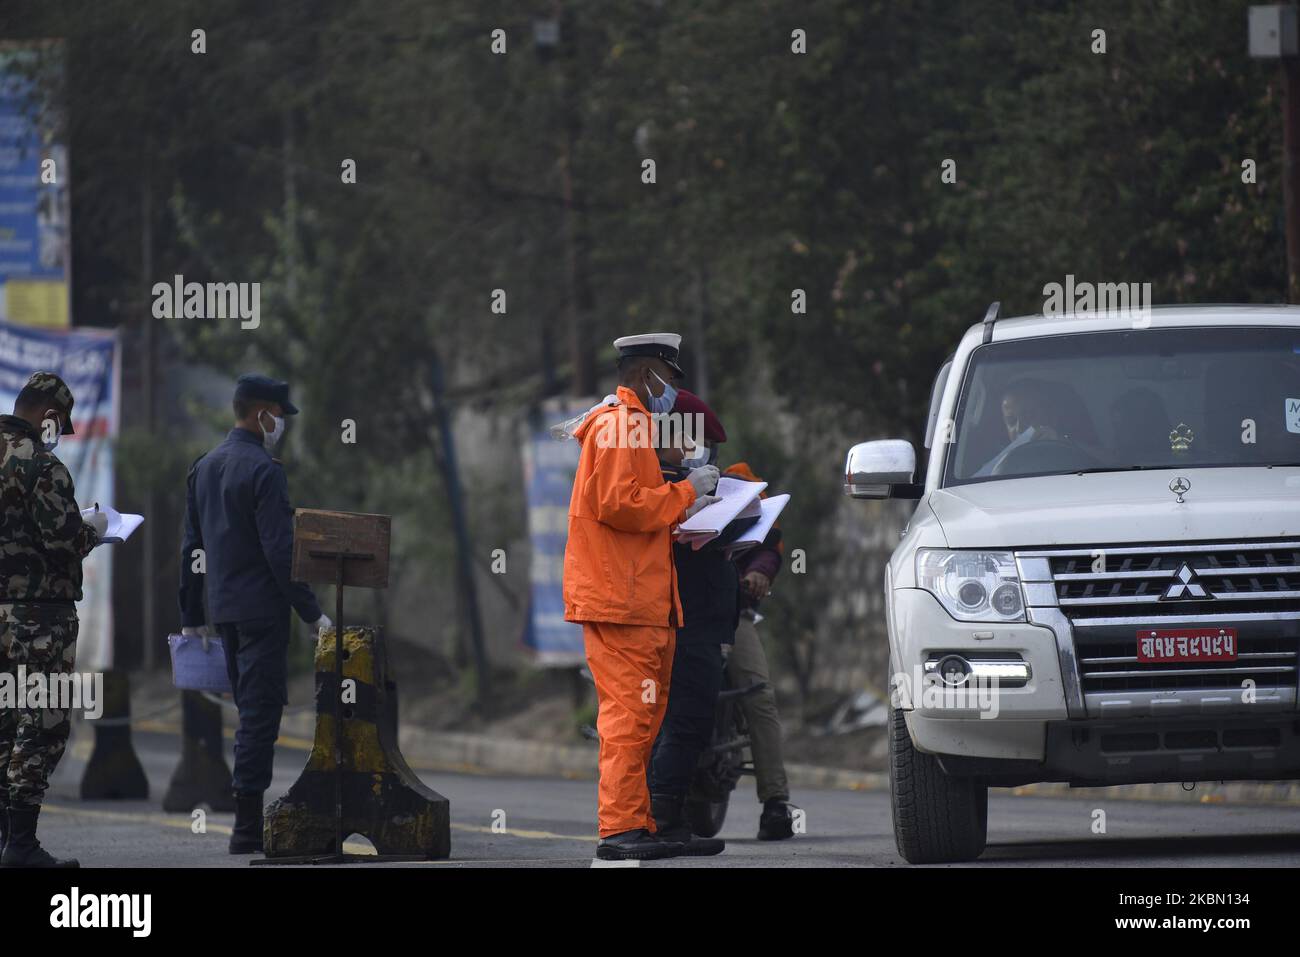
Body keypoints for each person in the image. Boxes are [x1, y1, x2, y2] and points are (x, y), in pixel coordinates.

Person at [564, 333, 719, 861]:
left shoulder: (631, 426)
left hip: (641, 601)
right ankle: (619, 830)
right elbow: (619, 504)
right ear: (650, 372)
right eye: (670, 381)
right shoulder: (621, 425)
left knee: (645, 718)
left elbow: (634, 511)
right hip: (621, 601)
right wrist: (687, 493)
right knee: (629, 718)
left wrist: (682, 507)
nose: (672, 394)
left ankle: (640, 822)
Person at [178, 374, 330, 854]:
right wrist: (312, 613)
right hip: (263, 613)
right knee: (260, 718)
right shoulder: (264, 470)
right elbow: (281, 550)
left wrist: (190, 613)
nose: (282, 423)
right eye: (280, 414)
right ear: (262, 412)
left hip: (223, 610)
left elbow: (191, 549)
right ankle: (246, 829)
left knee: (249, 711)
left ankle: (246, 821)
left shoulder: (204, 467)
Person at [0, 372, 104, 868]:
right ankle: (20, 845)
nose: (58, 434)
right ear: (47, 415)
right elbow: (64, 543)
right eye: (59, 424)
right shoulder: (44, 466)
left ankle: (6, 841)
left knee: (2, 726)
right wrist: (94, 528)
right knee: (41, 725)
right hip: (40, 620)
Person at [647, 388, 748, 856]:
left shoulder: (682, 482)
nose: (693, 449)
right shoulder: (661, 485)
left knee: (686, 721)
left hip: (698, 620)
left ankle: (666, 817)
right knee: (683, 721)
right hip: (683, 622)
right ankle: (662, 818)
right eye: (689, 437)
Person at [722, 461, 801, 840]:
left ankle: (775, 803)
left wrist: (760, 573)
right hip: (675, 618)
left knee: (758, 695)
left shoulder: (741, 484)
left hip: (728, 614)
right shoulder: (650, 483)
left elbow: (769, 545)